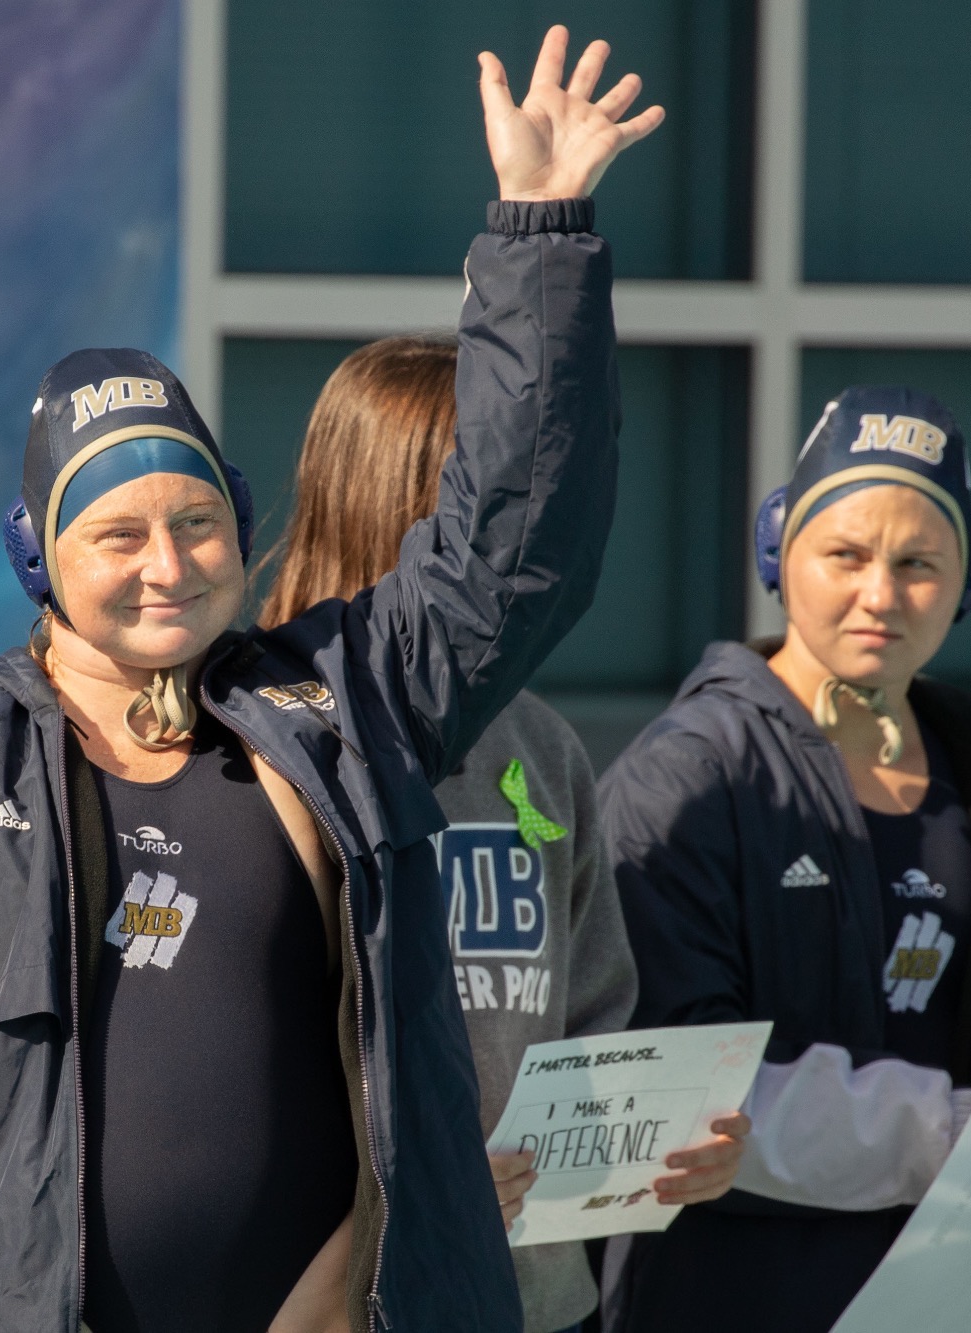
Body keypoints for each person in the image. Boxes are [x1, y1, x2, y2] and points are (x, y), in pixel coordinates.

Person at [0, 26, 659, 1333]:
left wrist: (540, 233)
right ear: (38, 557)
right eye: (119, 533)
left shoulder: (343, 708)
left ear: (241, 520)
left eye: (197, 524)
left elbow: (522, 545)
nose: (167, 564)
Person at [259, 336, 749, 1333]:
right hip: (339, 1302)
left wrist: (659, 1143)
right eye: (496, 490)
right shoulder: (260, 735)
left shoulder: (538, 744)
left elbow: (593, 1017)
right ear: (392, 495)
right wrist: (419, 1198)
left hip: (531, 1304)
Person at [599, 385, 971, 1332]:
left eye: (918, 562)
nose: (881, 592)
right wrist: (965, 1127)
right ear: (778, 554)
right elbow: (673, 1087)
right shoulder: (686, 786)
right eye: (846, 554)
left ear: (969, 577)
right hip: (735, 1301)